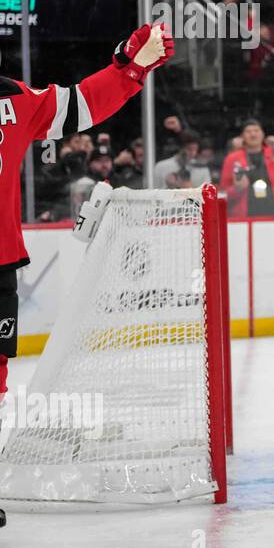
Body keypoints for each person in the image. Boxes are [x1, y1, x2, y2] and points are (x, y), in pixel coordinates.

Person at [0, 24, 173, 417]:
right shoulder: (14, 98)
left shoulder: (15, 98)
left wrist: (129, 69)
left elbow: (81, 104)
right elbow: (83, 104)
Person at [219, 119, 274, 218]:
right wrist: (236, 189)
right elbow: (222, 193)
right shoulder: (232, 159)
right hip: (244, 219)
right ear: (242, 136)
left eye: (256, 130)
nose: (253, 134)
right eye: (248, 131)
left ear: (263, 134)